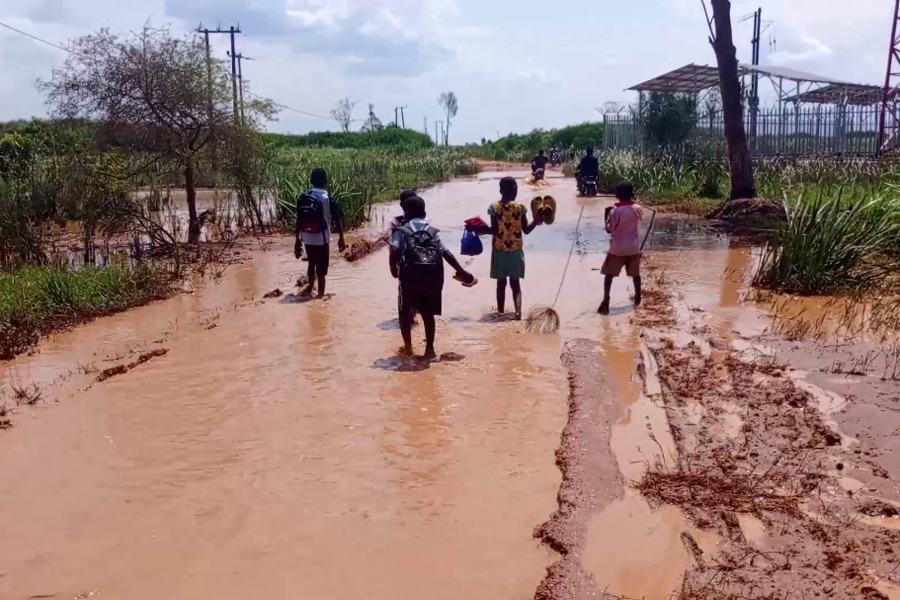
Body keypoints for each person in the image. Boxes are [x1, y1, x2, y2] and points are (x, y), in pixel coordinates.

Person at [389, 196, 474, 360]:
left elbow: (394, 250)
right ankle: (429, 349)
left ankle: (408, 347)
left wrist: (394, 271)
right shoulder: (432, 231)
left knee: (405, 311)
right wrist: (462, 272)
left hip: (409, 280)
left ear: (405, 214)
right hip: (432, 279)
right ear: (424, 213)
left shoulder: (401, 230)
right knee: (428, 314)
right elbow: (445, 253)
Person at [488, 177, 540, 320]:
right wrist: (537, 220)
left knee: (501, 284)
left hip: (499, 251)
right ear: (515, 190)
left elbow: (493, 230)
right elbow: (527, 230)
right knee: (515, 284)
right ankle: (518, 313)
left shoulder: (494, 208)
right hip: (516, 252)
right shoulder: (520, 208)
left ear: (500, 190)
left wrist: (478, 228)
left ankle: (500, 312)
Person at [294, 168, 346, 298]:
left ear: (311, 181)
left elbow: (299, 221)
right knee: (321, 271)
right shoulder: (327, 199)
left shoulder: (304, 197)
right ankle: (320, 296)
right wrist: (341, 238)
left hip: (307, 238)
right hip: (322, 239)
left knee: (311, 264)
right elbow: (338, 219)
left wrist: (297, 241)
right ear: (326, 182)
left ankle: (311, 289)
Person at [598, 181, 643, 315]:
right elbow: (637, 217)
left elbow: (609, 229)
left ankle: (606, 300)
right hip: (633, 247)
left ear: (617, 195)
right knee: (636, 275)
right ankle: (638, 299)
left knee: (608, 276)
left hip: (617, 248)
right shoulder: (637, 209)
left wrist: (606, 216)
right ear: (632, 194)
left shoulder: (615, 211)